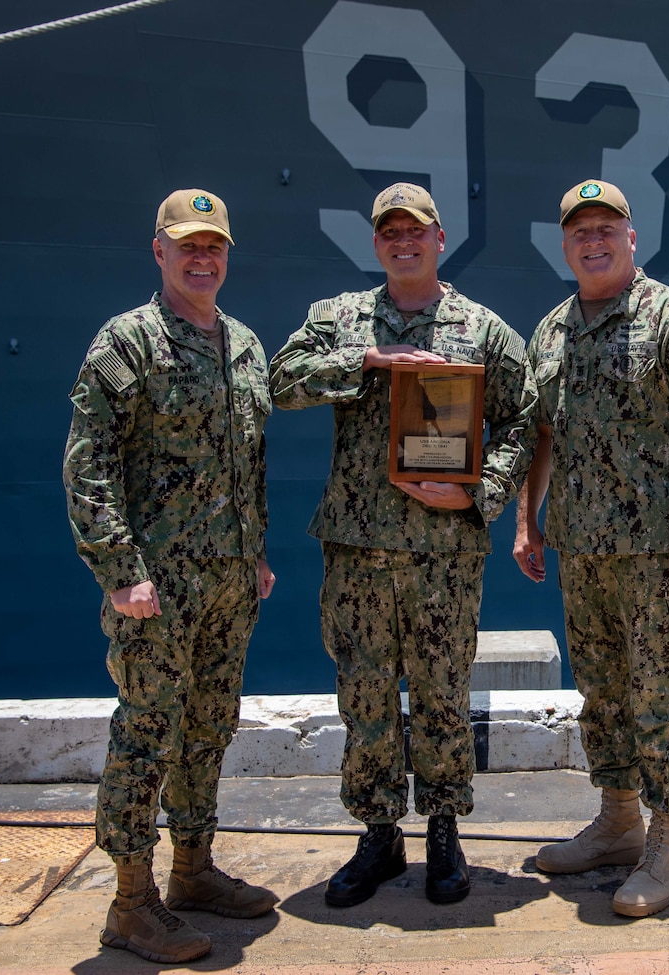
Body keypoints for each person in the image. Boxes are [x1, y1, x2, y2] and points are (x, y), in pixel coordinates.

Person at [269, 183, 535, 907]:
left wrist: (477, 493)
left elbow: (525, 420)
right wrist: (366, 361)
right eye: (390, 231)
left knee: (443, 691)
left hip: (444, 551)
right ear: (376, 242)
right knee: (365, 693)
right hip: (357, 549)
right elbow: (279, 382)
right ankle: (379, 832)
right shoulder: (338, 319)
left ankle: (444, 830)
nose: (403, 241)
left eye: (415, 229)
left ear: (439, 239)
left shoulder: (483, 330)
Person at [63, 189, 279, 963]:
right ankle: (130, 902)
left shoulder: (244, 345)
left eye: (213, 246)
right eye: (188, 245)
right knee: (146, 733)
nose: (202, 258)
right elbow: (88, 465)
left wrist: (254, 552)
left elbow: (248, 462)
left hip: (229, 583)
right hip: (156, 588)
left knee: (209, 727)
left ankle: (193, 868)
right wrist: (121, 571)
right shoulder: (128, 342)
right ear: (159, 251)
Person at [513, 179, 669, 917]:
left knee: (660, 695)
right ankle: (617, 821)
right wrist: (527, 520)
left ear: (631, 238)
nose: (594, 241)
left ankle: (668, 843)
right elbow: (543, 432)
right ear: (565, 243)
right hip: (581, 551)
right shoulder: (551, 332)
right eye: (580, 230)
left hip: (656, 555)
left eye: (606, 228)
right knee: (601, 691)